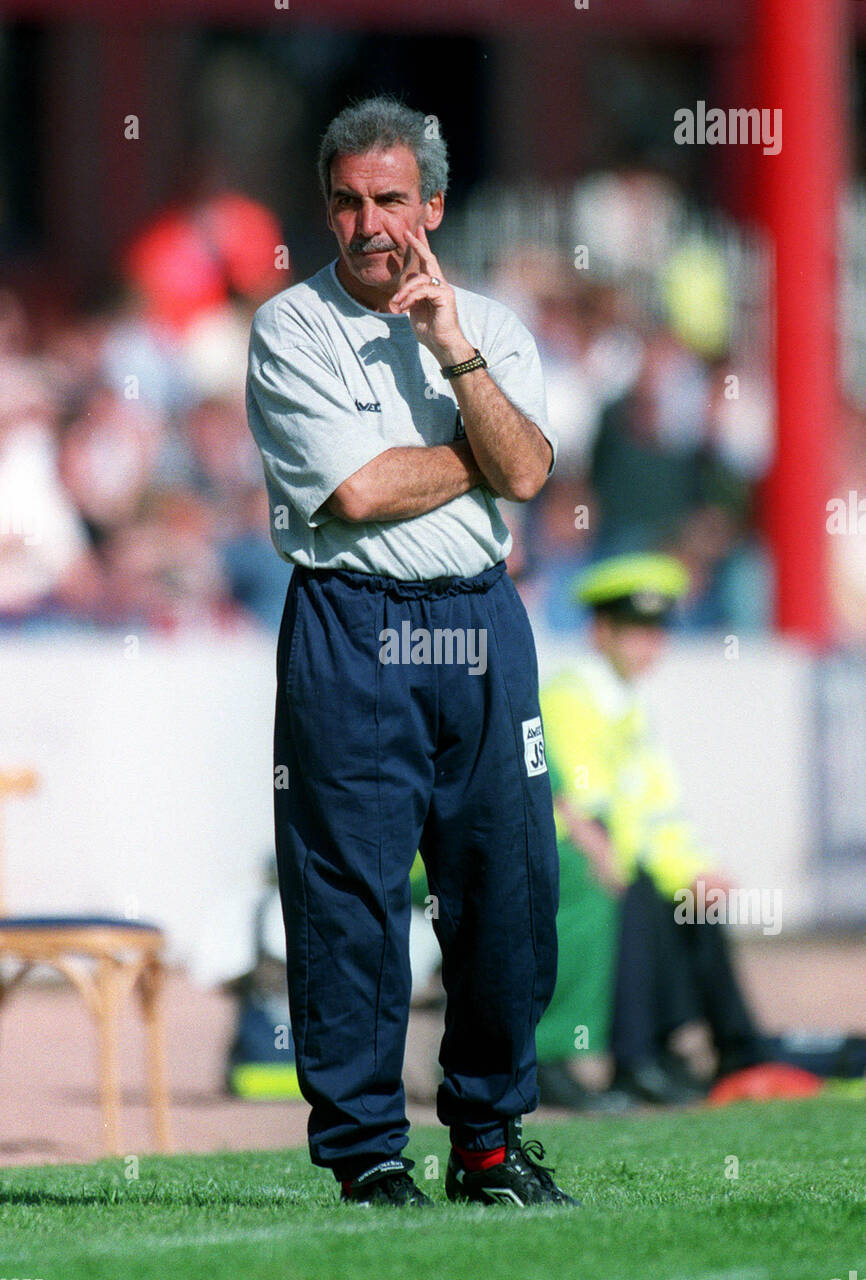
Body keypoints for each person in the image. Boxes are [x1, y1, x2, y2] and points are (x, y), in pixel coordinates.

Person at [245, 97, 576, 1207]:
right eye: (346, 201)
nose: (368, 223)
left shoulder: (491, 326)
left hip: (478, 621)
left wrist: (453, 355)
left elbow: (526, 472)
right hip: (351, 626)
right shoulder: (291, 328)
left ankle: (487, 1139)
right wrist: (474, 454)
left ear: (432, 205)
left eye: (390, 199)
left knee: (508, 887)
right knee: (347, 899)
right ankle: (366, 1152)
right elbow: (355, 490)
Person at [539, 553, 809, 1107]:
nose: (649, 645)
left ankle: (733, 1051)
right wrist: (642, 864)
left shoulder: (627, 704)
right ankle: (634, 1059)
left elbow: (660, 817)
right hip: (574, 858)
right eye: (636, 632)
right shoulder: (573, 695)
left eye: (656, 632)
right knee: (635, 894)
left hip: (618, 856)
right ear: (601, 632)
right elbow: (582, 807)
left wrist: (694, 873)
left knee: (692, 900)